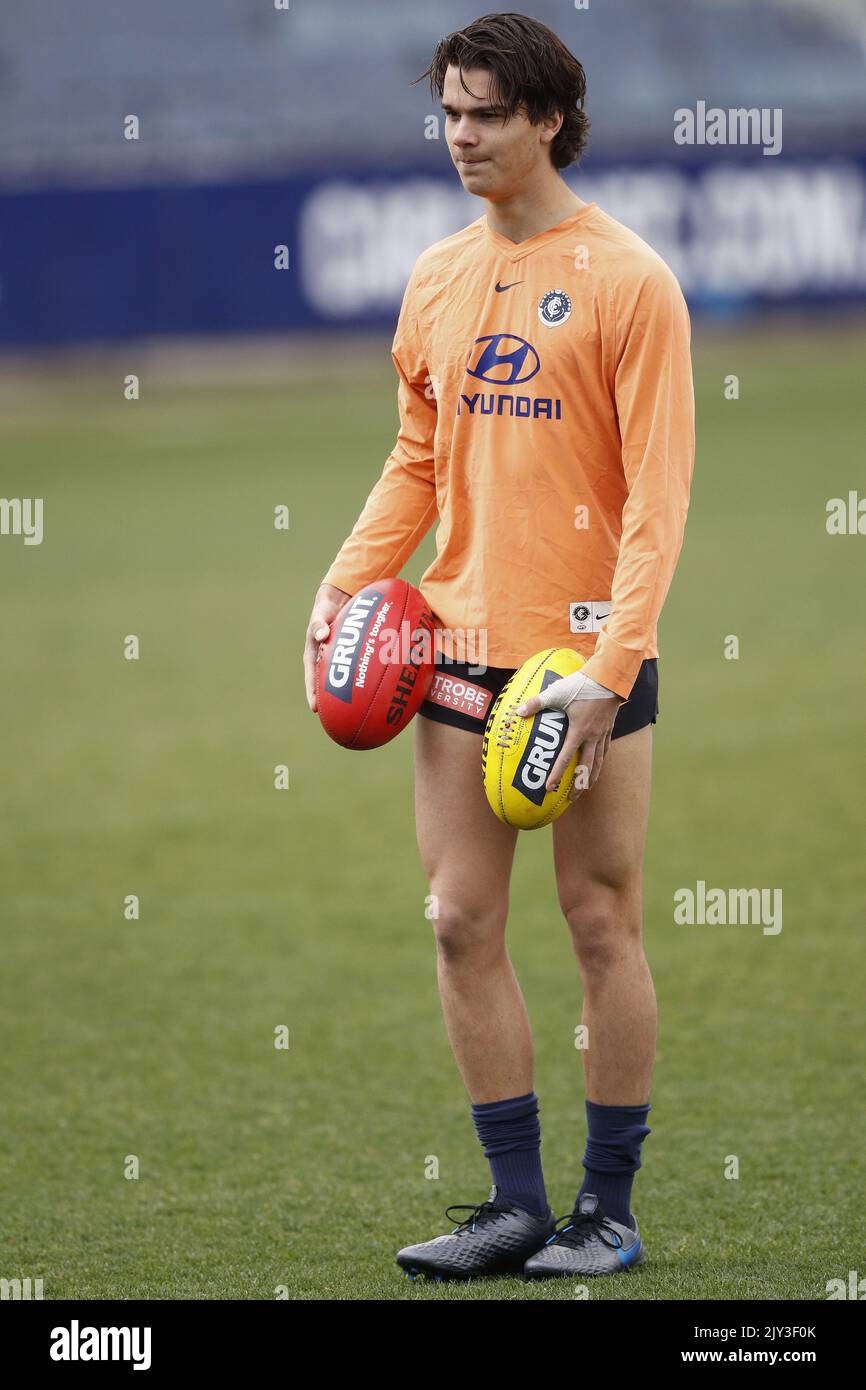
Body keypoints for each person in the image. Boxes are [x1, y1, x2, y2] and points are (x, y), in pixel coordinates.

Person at [303, 10, 695, 1281]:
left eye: (484, 114)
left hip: (581, 663)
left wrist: (610, 668)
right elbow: (416, 459)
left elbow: (656, 502)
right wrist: (347, 581)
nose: (460, 136)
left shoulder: (630, 280)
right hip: (454, 653)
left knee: (597, 923)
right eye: (449, 114)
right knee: (457, 921)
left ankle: (608, 1211)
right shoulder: (434, 277)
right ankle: (513, 1206)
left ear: (547, 121)